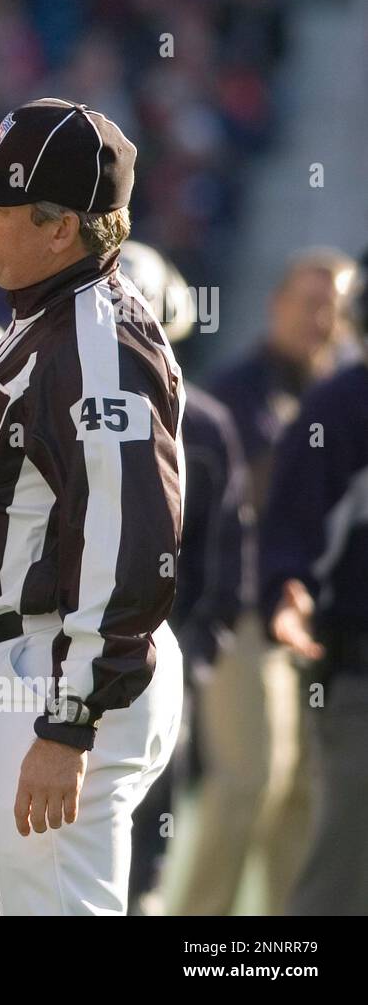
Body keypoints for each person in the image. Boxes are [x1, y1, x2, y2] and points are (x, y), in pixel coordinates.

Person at [0, 98, 185, 915]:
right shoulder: (54, 318)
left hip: (54, 675)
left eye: (0, 200)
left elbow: (129, 534)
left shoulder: (93, 339)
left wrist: (70, 720)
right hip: (34, 663)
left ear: (62, 228)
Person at [178, 245, 356, 914]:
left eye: (333, 307)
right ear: (275, 303)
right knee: (250, 777)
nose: (320, 318)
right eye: (309, 302)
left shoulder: (341, 394)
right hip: (245, 609)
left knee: (305, 793)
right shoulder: (235, 390)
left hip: (325, 617)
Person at [118, 240, 250, 914]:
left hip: (153, 659)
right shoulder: (45, 403)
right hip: (47, 661)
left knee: (145, 847)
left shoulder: (204, 425)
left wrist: (187, 660)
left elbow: (224, 564)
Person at [262, 249, 368, 915]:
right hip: (358, 675)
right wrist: (289, 592)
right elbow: (293, 531)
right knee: (343, 869)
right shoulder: (342, 405)